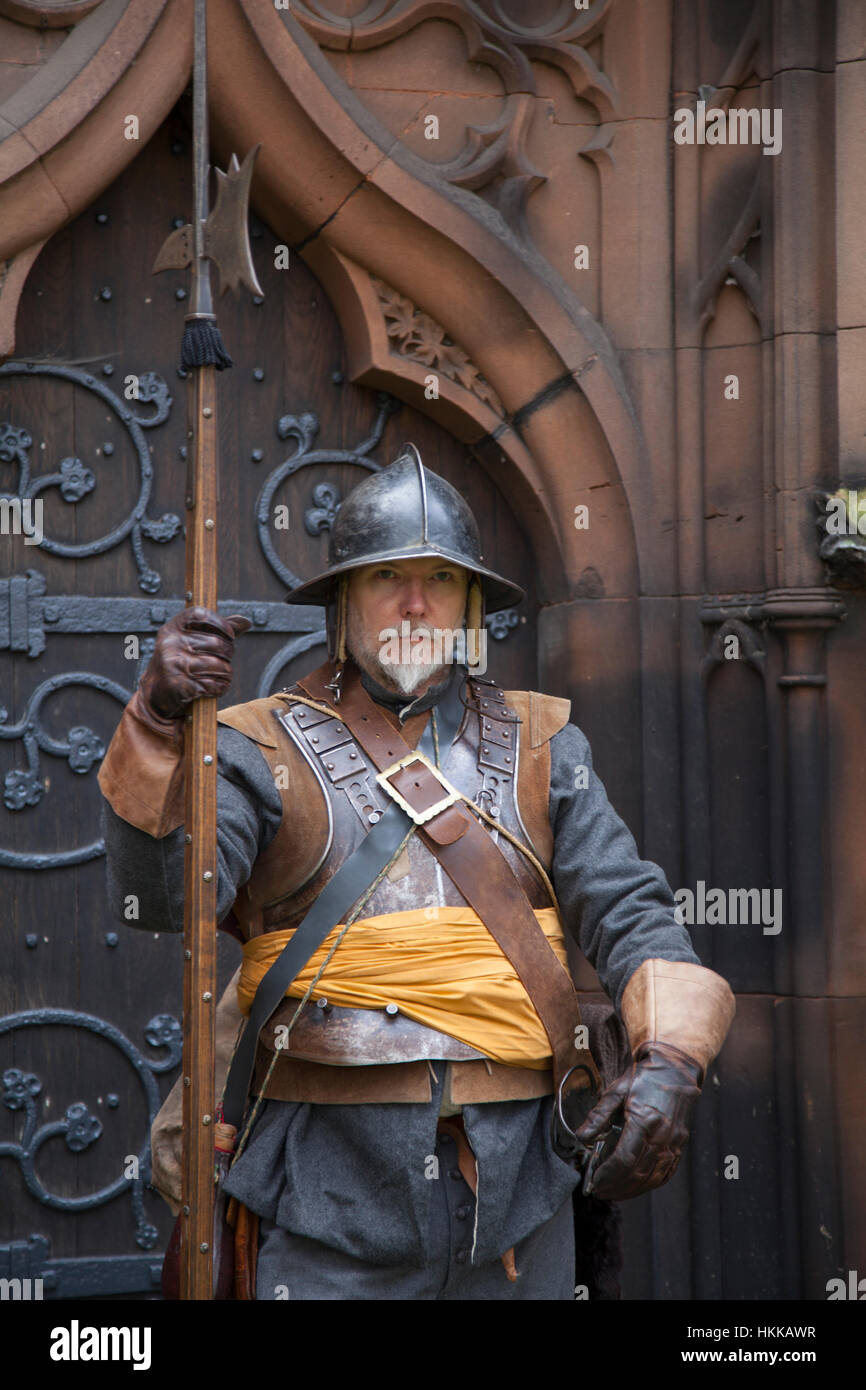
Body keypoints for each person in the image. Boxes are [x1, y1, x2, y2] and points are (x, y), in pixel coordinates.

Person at [98, 444, 735, 1300]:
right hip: (327, 1193)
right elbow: (164, 906)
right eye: (385, 576)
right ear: (342, 602)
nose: (412, 603)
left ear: (471, 601)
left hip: (519, 1196)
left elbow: (629, 908)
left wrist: (672, 1059)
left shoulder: (546, 747)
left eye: (437, 580)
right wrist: (158, 726)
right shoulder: (256, 746)